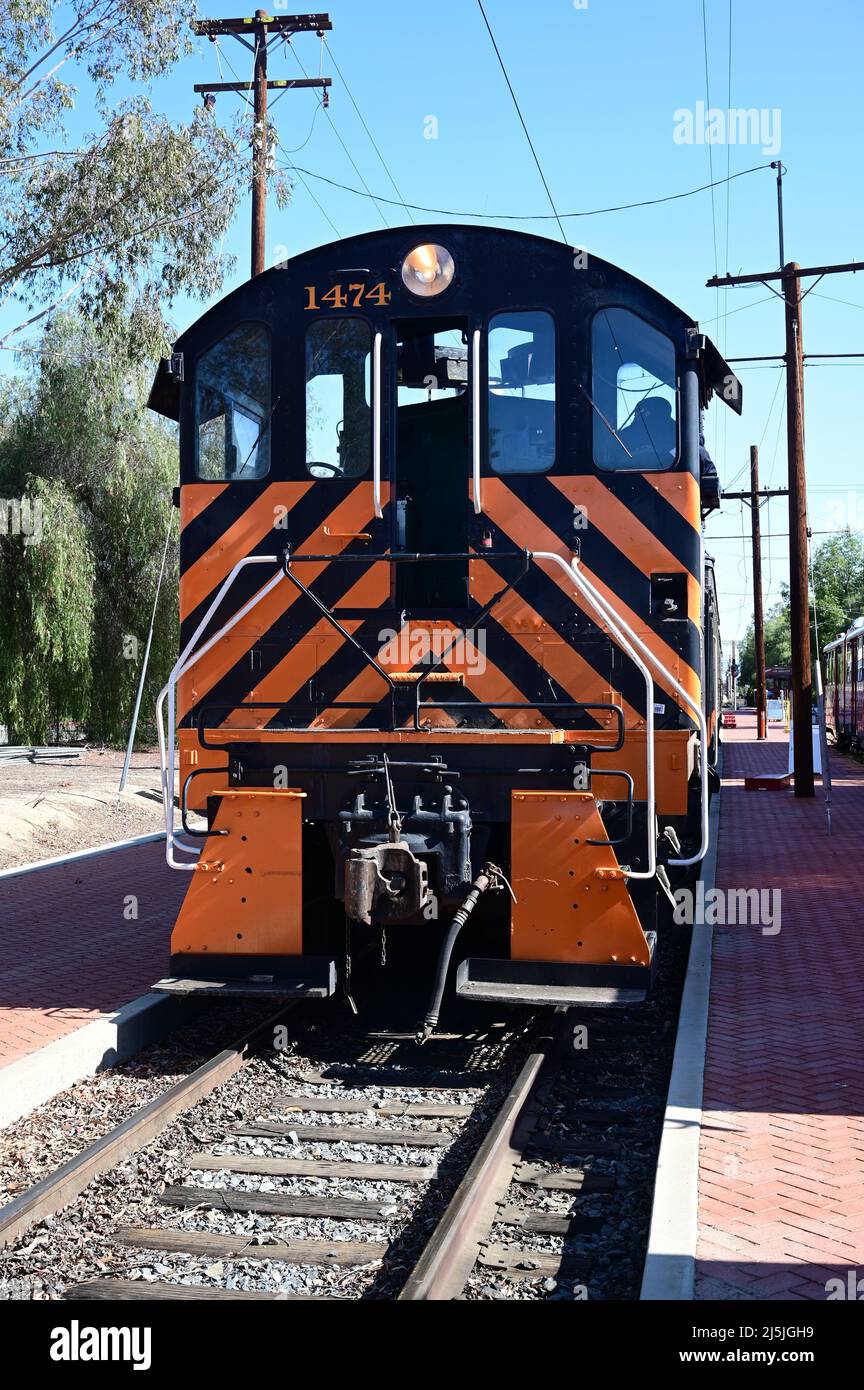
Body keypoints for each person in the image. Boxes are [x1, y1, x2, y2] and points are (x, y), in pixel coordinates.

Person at [618, 395, 675, 463]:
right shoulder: (678, 431)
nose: (635, 415)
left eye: (637, 411)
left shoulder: (630, 432)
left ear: (645, 412)